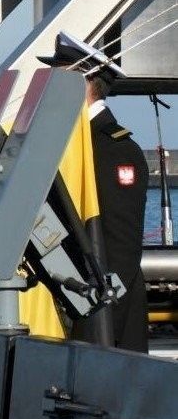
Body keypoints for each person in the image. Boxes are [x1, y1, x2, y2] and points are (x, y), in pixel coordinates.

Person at [77, 70, 150, 352]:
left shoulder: (114, 149)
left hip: (106, 318)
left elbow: (122, 248)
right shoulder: (78, 141)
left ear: (85, 86)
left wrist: (100, 315)